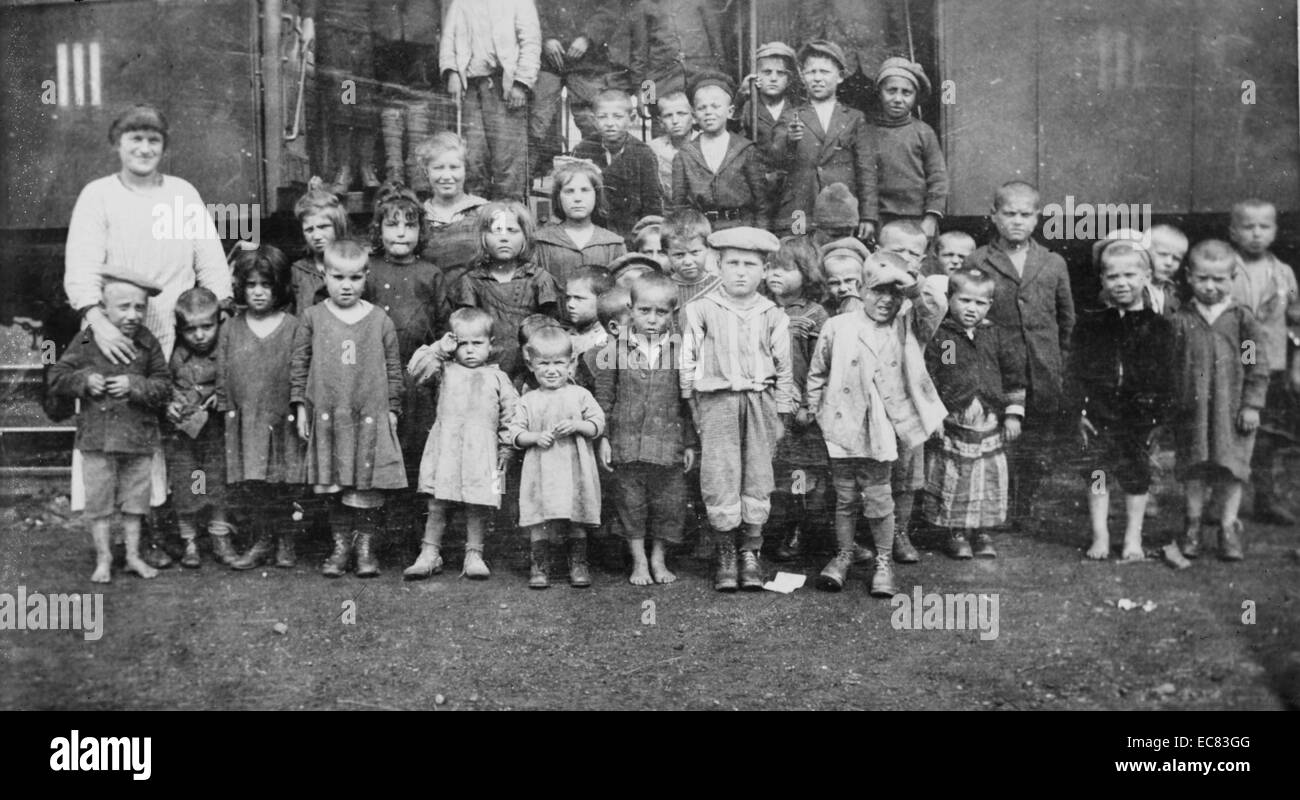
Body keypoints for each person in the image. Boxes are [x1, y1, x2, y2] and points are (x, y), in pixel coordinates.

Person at [64, 104, 234, 561]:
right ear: (116, 144)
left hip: (175, 335)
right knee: (122, 431)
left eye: (153, 140)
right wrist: (99, 324)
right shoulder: (98, 196)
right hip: (115, 334)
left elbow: (212, 266)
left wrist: (215, 326)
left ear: (164, 146)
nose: (143, 148)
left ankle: (172, 531)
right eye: (134, 138)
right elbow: (80, 270)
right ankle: (125, 536)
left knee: (174, 435)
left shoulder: (182, 194)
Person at [802, 249, 947, 596]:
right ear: (861, 290)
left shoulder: (909, 324)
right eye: (877, 290)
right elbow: (817, 372)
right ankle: (844, 554)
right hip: (842, 422)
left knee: (879, 497)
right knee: (846, 496)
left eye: (894, 292)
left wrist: (911, 285)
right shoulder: (839, 326)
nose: (886, 299)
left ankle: (883, 560)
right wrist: (816, 408)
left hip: (882, 427)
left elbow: (935, 306)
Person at [680, 227, 793, 592]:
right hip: (717, 402)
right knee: (720, 473)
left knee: (758, 474)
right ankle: (725, 551)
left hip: (759, 402)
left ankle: (750, 552)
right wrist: (694, 404)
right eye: (732, 263)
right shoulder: (700, 309)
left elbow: (784, 367)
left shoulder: (773, 314)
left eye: (750, 264)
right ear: (718, 265)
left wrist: (782, 412)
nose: (741, 272)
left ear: (764, 269)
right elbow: (688, 361)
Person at [290, 241, 407, 578]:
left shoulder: (379, 320)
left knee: (365, 486)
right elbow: (299, 364)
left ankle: (365, 549)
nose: (346, 285)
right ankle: (341, 546)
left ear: (366, 276)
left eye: (355, 277)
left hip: (368, 415)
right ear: (323, 274)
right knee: (335, 484)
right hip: (328, 415)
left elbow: (393, 368)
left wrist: (393, 409)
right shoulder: (312, 317)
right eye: (338, 277)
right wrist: (300, 407)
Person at [966, 181, 1075, 530]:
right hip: (995, 368)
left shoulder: (1053, 262)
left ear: (1037, 218)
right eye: (1009, 214)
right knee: (997, 440)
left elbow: (1066, 318)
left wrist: (1061, 365)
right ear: (994, 217)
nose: (1017, 221)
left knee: (1037, 445)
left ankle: (1024, 507)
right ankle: (994, 510)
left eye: (1025, 215)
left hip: (1041, 369)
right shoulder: (979, 260)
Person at [48, 274, 171, 583]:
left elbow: (164, 385)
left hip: (137, 437)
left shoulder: (147, 342)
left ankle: (132, 556)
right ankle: (104, 558)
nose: (133, 315)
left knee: (135, 502)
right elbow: (58, 375)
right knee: (99, 503)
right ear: (103, 308)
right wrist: (85, 380)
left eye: (140, 308)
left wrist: (135, 385)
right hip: (97, 438)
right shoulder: (88, 338)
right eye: (123, 307)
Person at [1069, 241, 1174, 562]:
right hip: (1099, 412)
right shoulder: (1091, 324)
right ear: (1102, 280)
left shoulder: (1159, 327)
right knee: (1098, 472)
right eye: (1113, 276)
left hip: (1139, 415)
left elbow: (1168, 376)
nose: (1122, 282)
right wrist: (1078, 411)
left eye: (1130, 274)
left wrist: (1159, 417)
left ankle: (1132, 537)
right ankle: (1100, 534)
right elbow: (1075, 372)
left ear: (1146, 277)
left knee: (1136, 475)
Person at [593, 272, 696, 584]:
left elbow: (687, 402)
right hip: (627, 444)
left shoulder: (681, 350)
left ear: (673, 313)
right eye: (644, 310)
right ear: (631, 308)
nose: (652, 319)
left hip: (669, 445)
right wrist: (604, 439)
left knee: (669, 504)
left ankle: (658, 558)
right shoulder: (612, 350)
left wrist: (690, 442)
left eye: (661, 312)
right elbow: (604, 399)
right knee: (631, 503)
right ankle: (638, 561)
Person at [1171, 240, 1270, 561]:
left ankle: (1228, 527)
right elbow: (1169, 364)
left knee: (1231, 470)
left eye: (1219, 279)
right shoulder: (1180, 318)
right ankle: (1193, 526)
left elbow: (1255, 363)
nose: (1210, 286)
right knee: (1195, 467)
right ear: (1188, 276)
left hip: (1233, 410)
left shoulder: (1241, 319)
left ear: (1233, 278)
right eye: (1202, 278)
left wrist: (1252, 404)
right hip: (1193, 410)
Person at [404, 308, 519, 579]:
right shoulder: (444, 370)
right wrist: (439, 349)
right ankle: (429, 553)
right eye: (462, 343)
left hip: (484, 452)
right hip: (446, 448)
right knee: (437, 502)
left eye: (477, 343)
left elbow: (513, 415)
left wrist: (507, 447)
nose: (469, 350)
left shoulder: (498, 377)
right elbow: (415, 371)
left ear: (490, 345)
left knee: (479, 504)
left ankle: (474, 554)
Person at [923, 268, 1026, 560]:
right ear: (949, 299)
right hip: (955, 419)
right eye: (965, 300)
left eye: (980, 303)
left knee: (987, 476)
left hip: (990, 419)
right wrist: (935, 417)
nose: (971, 309)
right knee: (956, 476)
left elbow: (1013, 374)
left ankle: (982, 531)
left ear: (990, 305)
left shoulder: (994, 335)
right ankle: (955, 531)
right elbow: (936, 376)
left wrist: (1013, 414)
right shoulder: (945, 338)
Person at [217, 246, 306, 570]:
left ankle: (286, 540)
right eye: (251, 284)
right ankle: (262, 539)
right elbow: (223, 374)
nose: (257, 292)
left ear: (279, 286)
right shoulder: (231, 328)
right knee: (255, 485)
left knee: (283, 484)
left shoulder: (293, 326)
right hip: (246, 422)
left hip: (281, 420)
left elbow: (299, 372)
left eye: (266, 285)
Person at [506, 326, 606, 588]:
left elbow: (597, 424)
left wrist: (577, 426)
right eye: (544, 364)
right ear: (531, 364)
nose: (552, 370)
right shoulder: (528, 400)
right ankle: (540, 566)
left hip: (574, 469)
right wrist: (535, 437)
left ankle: (578, 564)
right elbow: (514, 433)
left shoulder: (580, 395)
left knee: (576, 515)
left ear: (571, 363)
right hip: (541, 471)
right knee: (540, 518)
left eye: (559, 363)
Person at [368, 184, 450, 479]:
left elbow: (444, 325)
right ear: (378, 231)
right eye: (392, 225)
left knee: (417, 445)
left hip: (417, 376)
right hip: (376, 375)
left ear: (421, 231)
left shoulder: (430, 274)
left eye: (410, 225)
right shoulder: (368, 270)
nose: (401, 232)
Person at [1227, 199, 1300, 525]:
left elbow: (1295, 321)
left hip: (1270, 365)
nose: (1256, 234)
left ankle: (1265, 498)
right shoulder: (1226, 269)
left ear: (1275, 231)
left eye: (1264, 227)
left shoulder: (1283, 273)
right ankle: (1222, 499)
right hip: (1234, 365)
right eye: (1248, 226)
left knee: (1267, 433)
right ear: (1233, 231)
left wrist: (1296, 360)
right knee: (1229, 430)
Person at [764, 236, 832, 562]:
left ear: (806, 273)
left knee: (802, 473)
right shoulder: (760, 309)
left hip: (800, 409)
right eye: (770, 268)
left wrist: (808, 404)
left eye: (785, 269)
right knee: (776, 474)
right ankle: (779, 530)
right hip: (769, 405)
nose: (774, 275)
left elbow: (820, 364)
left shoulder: (815, 316)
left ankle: (802, 531)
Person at [439, 0, 541, 200]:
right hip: (471, 88)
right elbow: (448, 38)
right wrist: (451, 72)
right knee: (473, 158)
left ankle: (509, 217)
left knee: (508, 161)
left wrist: (521, 83)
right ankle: (476, 216)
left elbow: (531, 41)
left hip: (505, 87)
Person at [774, 41, 876, 239]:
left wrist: (868, 216)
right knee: (798, 254)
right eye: (811, 72)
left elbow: (866, 171)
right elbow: (775, 159)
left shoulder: (854, 118)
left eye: (825, 72)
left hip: (840, 209)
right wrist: (790, 140)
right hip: (799, 208)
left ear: (840, 77)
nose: (818, 78)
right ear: (803, 77)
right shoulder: (790, 116)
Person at [451, 201, 563, 378]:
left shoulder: (540, 279)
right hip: (484, 371)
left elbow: (552, 332)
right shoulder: (471, 282)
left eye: (512, 231)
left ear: (525, 236)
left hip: (532, 372)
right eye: (496, 231)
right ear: (483, 237)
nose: (504, 238)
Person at [164, 288, 234, 569]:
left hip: (215, 433)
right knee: (186, 483)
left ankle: (220, 537)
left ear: (218, 323)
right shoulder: (176, 355)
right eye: (191, 329)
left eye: (207, 327)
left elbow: (235, 379)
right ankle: (190, 540)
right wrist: (169, 402)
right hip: (183, 435)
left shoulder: (225, 352)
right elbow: (163, 383)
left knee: (215, 482)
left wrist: (223, 393)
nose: (200, 335)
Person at [529, 2, 627, 182]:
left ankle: (608, 185)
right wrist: (546, 38)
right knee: (537, 125)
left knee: (596, 125)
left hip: (591, 62)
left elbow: (611, 8)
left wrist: (588, 37)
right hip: (549, 61)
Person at [671, 72, 768, 229]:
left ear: (730, 112)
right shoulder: (685, 155)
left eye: (715, 106)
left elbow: (762, 204)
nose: (709, 112)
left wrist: (759, 238)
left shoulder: (746, 150)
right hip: (701, 232)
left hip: (741, 229)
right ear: (694, 116)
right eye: (702, 108)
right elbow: (678, 206)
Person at [867, 57, 948, 240]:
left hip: (917, 218)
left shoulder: (923, 132)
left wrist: (931, 217)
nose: (898, 99)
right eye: (891, 91)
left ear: (915, 97)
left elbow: (938, 178)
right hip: (880, 218)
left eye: (906, 93)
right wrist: (868, 218)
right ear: (880, 92)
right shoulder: (866, 131)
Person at [572, 90, 664, 239]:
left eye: (618, 117)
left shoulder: (643, 154)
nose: (610, 124)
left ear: (632, 118)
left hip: (630, 232)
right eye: (602, 117)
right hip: (592, 230)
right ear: (594, 120)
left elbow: (652, 204)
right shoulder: (583, 149)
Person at [534, 159, 626, 292]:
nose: (577, 198)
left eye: (585, 190)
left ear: (596, 195)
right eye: (569, 191)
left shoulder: (613, 244)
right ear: (558, 197)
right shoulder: (541, 242)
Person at [417, 133, 489, 288]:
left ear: (465, 170)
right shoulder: (418, 215)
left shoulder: (483, 211)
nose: (447, 176)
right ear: (426, 172)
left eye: (454, 167)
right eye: (438, 168)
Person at [628, 0, 726, 102]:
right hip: (661, 80)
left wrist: (721, 79)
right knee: (656, 109)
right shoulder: (644, 5)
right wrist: (640, 91)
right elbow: (639, 52)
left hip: (701, 75)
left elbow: (716, 42)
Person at [737, 41, 800, 198]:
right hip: (755, 187)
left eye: (780, 73)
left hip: (790, 188)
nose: (773, 78)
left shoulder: (797, 111)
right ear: (756, 77)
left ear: (789, 79)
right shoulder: (748, 108)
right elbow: (731, 137)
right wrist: (741, 95)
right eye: (767, 72)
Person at [290, 181, 348, 314]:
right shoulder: (298, 271)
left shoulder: (355, 264)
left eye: (323, 227)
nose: (316, 236)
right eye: (309, 230)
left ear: (337, 226)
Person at [662, 209, 721, 325]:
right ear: (667, 254)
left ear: (708, 249)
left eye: (695, 252)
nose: (688, 262)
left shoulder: (720, 287)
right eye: (679, 255)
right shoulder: (662, 289)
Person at [647, 91, 694, 198]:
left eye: (681, 114)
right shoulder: (652, 149)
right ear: (660, 122)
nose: (675, 121)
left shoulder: (706, 145)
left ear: (693, 116)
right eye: (668, 116)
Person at [565, 266, 614, 361]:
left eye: (579, 298)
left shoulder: (607, 341)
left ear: (602, 300)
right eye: (568, 298)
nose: (570, 304)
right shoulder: (564, 336)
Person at [1148, 223, 1189, 317]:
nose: (1169, 263)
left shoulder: (1175, 294)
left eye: (1176, 258)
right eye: (1162, 254)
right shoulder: (1134, 289)